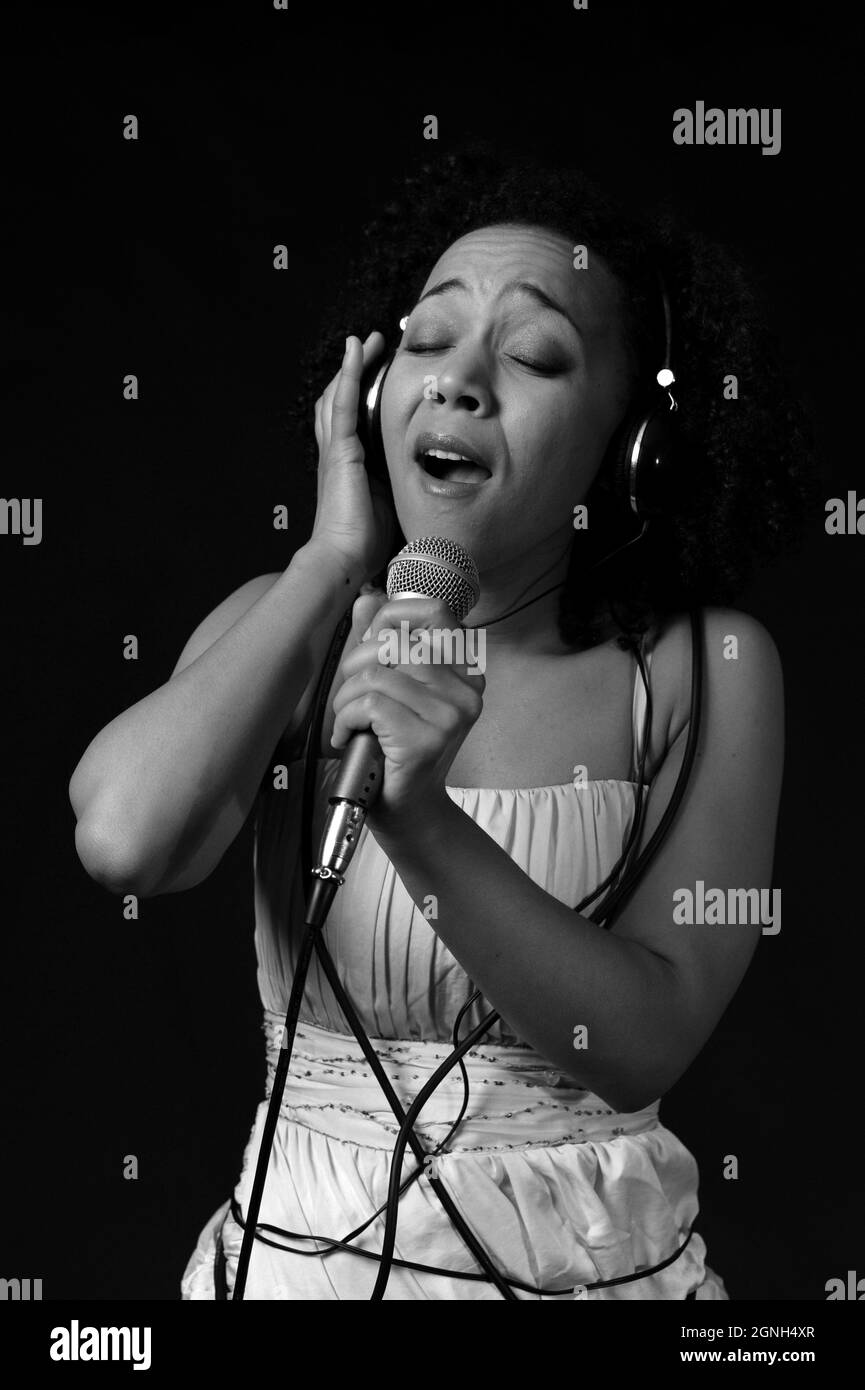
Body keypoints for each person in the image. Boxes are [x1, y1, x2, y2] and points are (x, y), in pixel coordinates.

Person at [69, 150, 815, 1299]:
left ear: (633, 448)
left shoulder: (699, 670)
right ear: (370, 396)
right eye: (425, 342)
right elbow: (126, 840)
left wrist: (421, 822)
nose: (459, 380)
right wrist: (328, 565)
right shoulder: (287, 621)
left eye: (532, 355)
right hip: (295, 1273)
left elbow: (638, 1045)